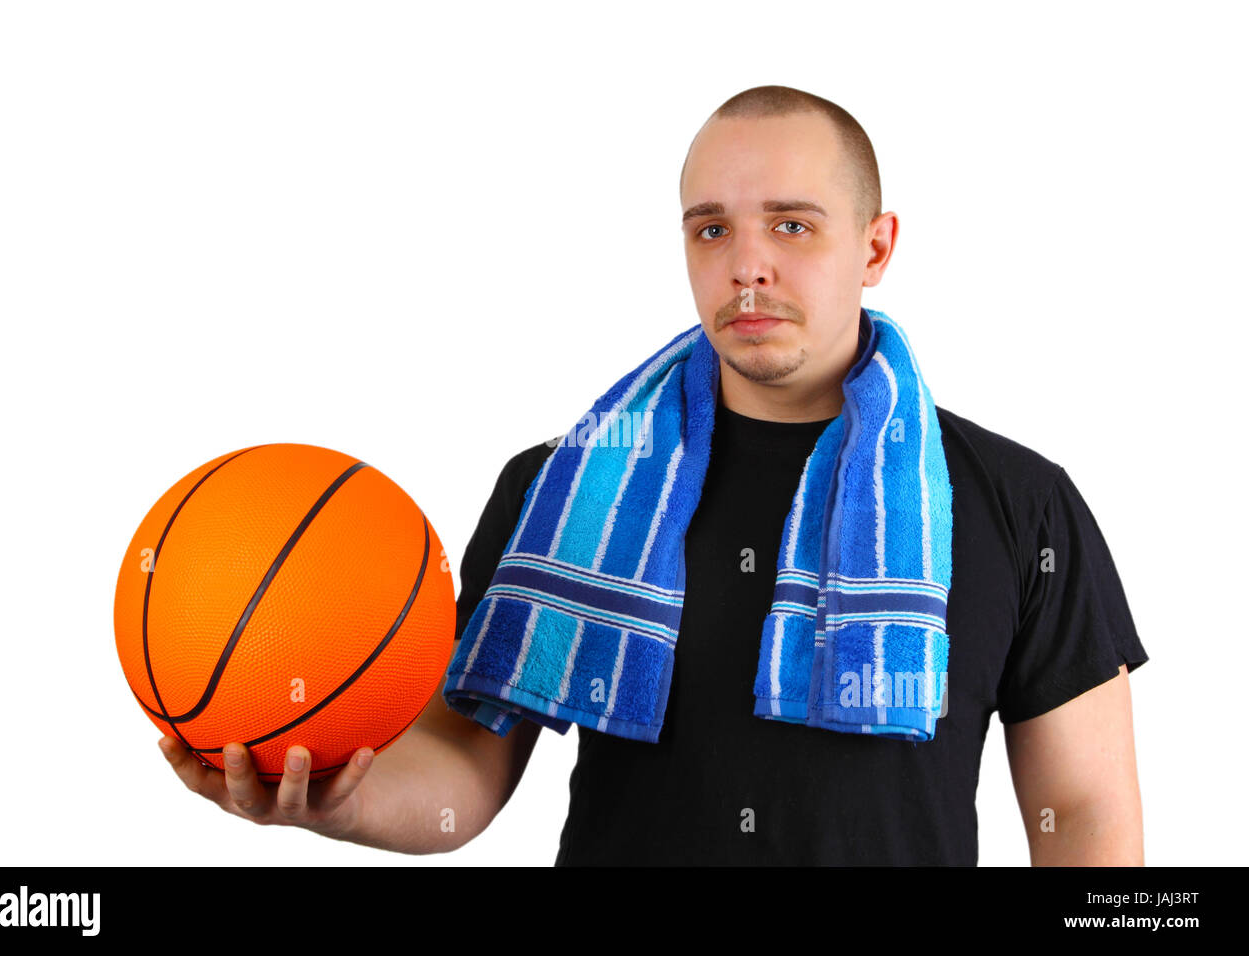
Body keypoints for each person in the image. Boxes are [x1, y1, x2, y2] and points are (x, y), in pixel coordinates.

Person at [159, 85, 1148, 865]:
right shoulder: (561, 487)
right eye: (711, 228)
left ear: (875, 245)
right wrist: (338, 800)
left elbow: (1082, 810)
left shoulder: (1019, 505)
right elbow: (463, 771)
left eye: (792, 226)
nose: (746, 265)